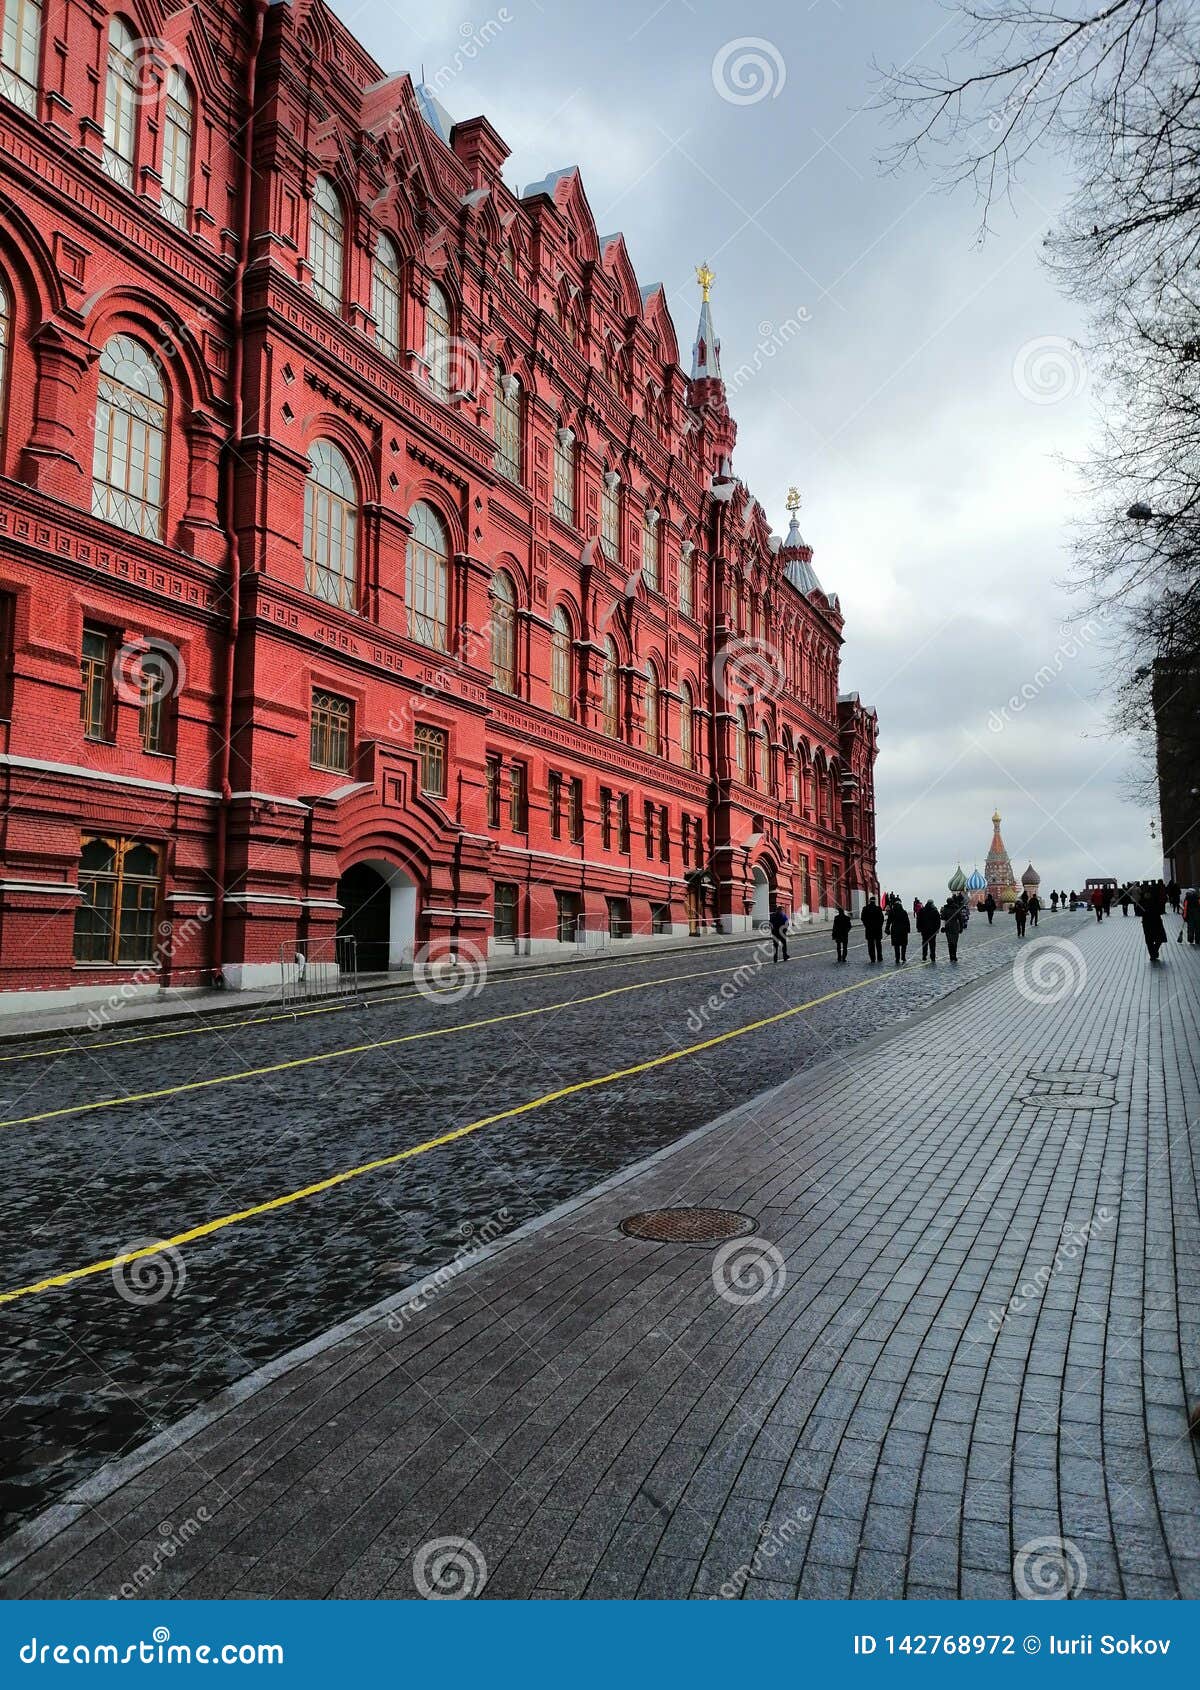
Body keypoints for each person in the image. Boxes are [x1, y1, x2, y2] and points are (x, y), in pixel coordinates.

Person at [1142, 884, 1168, 962]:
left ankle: (1153, 952)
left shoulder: (1152, 900)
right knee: (1153, 939)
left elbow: (1160, 910)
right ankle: (1153, 954)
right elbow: (1161, 910)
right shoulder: (1144, 901)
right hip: (1152, 921)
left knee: (1154, 939)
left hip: (1152, 921)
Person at [886, 898, 910, 965]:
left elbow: (888, 922)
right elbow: (907, 922)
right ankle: (903, 957)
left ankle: (897, 958)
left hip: (895, 930)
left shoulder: (892, 912)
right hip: (903, 930)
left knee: (896, 945)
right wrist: (908, 929)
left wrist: (887, 929)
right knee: (903, 945)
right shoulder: (904, 912)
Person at [941, 897, 965, 963]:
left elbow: (942, 919)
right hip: (955, 927)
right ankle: (954, 955)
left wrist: (943, 927)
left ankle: (951, 956)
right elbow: (960, 919)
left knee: (950, 943)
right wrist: (961, 928)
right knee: (954, 942)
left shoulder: (945, 909)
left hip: (948, 927)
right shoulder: (956, 908)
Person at [917, 897, 941, 962]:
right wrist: (937, 929)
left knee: (925, 943)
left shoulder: (922, 910)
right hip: (932, 931)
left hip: (924, 930)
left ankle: (924, 956)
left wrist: (918, 928)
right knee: (932, 944)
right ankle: (933, 957)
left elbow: (918, 920)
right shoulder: (935, 911)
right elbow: (938, 921)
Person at [861, 897, 885, 964]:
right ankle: (879, 957)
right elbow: (882, 919)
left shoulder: (865, 908)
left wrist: (866, 925)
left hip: (869, 929)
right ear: (875, 901)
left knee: (870, 945)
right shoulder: (878, 908)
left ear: (869, 901)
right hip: (877, 929)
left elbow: (863, 918)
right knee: (878, 944)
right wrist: (880, 926)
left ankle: (872, 958)